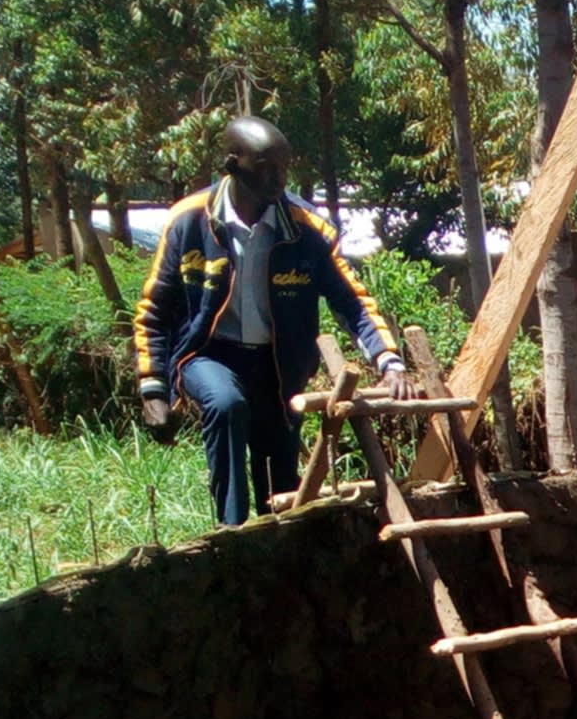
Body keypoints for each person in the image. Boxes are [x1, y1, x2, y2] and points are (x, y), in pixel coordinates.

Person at [133, 116, 414, 526]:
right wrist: (152, 387)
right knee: (226, 405)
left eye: (284, 166)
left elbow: (352, 302)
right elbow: (155, 310)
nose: (279, 177)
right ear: (233, 164)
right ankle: (231, 534)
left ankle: (275, 549)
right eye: (266, 166)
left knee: (280, 481)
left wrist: (389, 362)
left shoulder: (307, 230)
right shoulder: (189, 221)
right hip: (209, 354)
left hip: (279, 365)